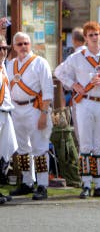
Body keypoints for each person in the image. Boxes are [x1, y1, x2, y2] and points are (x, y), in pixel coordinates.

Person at [54, 21, 100, 198]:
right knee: (85, 143)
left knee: (99, 143)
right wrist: (73, 84)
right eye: (91, 35)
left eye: (97, 34)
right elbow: (59, 72)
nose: (94, 38)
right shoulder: (78, 56)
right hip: (85, 102)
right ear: (85, 37)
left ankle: (99, 184)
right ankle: (85, 184)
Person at [8, 31, 54, 200]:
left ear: (30, 44)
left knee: (40, 148)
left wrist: (44, 113)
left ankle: (42, 185)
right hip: (16, 109)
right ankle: (27, 182)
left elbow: (48, 90)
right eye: (19, 44)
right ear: (14, 47)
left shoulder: (39, 62)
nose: (23, 47)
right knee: (21, 149)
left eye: (26, 43)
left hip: (34, 107)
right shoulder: (10, 64)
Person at [0, 36, 18, 203]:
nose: (3, 52)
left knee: (6, 150)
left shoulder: (3, 67)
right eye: (0, 48)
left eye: (5, 48)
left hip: (6, 112)